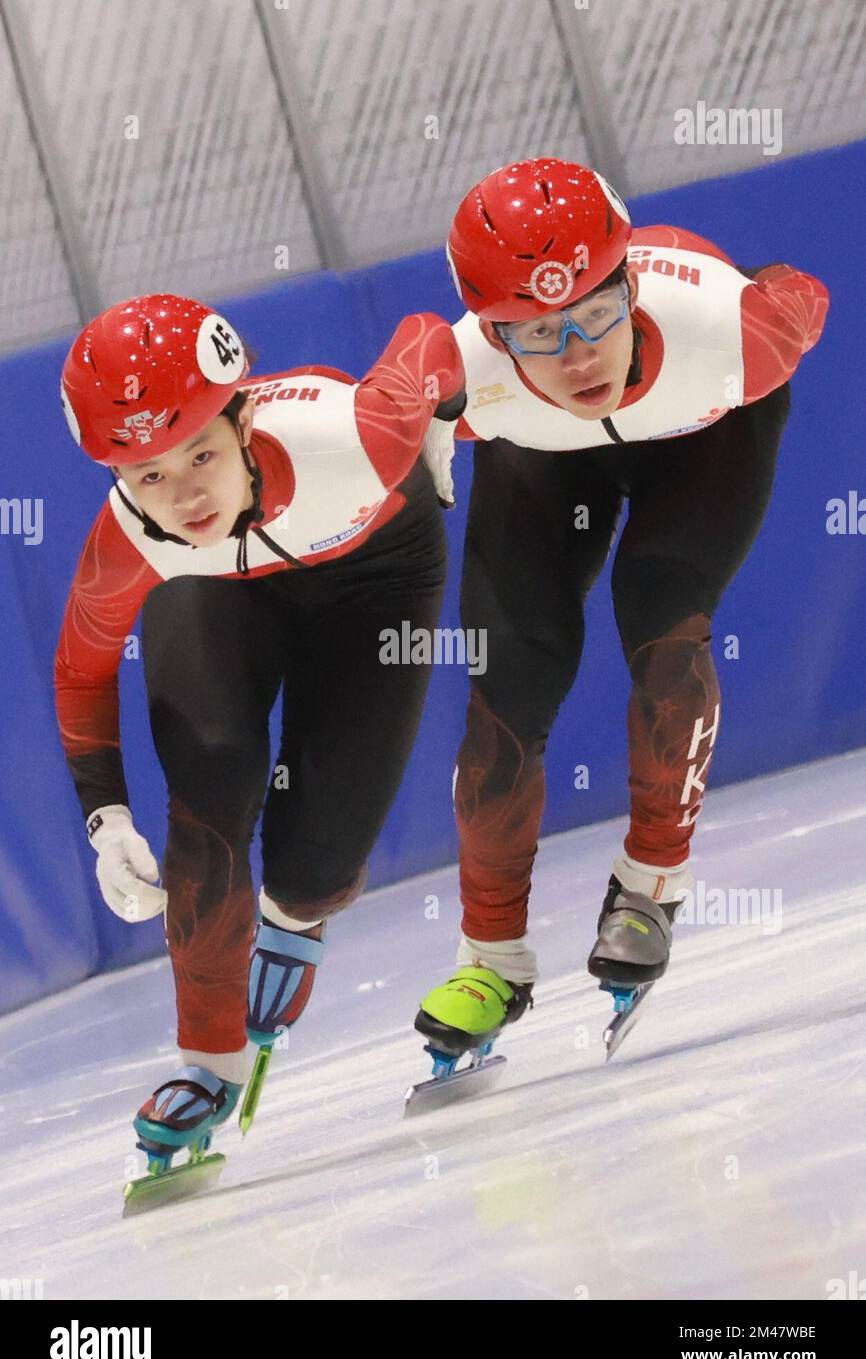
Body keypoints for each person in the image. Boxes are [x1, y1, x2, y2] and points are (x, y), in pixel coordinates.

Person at [415, 157, 828, 1061]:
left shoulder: (737, 336)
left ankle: (649, 887)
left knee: (664, 624)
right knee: (507, 694)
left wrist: (771, 298)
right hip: (543, 457)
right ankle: (490, 957)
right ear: (491, 333)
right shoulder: (459, 380)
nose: (577, 355)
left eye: (597, 313)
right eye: (535, 332)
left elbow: (801, 293)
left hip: (703, 437)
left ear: (631, 277)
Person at [55, 294, 464, 1170]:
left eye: (201, 453)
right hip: (214, 591)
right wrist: (108, 822)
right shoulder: (135, 537)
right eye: (148, 476)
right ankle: (207, 1062)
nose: (186, 496)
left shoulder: (353, 437)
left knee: (314, 872)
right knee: (210, 778)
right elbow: (80, 673)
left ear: (243, 420)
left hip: (375, 580)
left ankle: (296, 912)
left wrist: (447, 410)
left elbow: (427, 333)